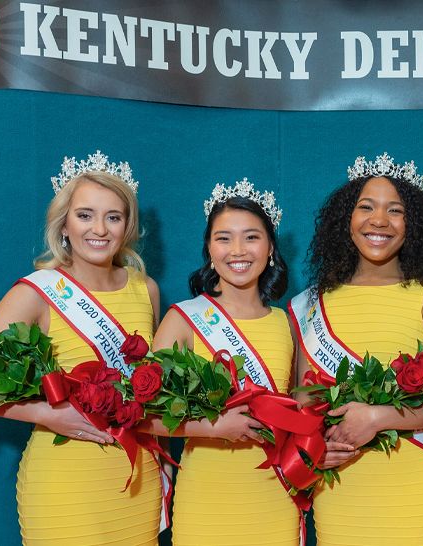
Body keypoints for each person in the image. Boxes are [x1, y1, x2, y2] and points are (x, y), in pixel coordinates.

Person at [288, 153, 423, 546]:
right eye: (365, 207)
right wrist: (315, 449)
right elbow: (303, 403)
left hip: (416, 478)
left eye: (395, 210)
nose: (379, 220)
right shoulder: (312, 304)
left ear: (413, 225)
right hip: (341, 480)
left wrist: (375, 417)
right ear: (344, 221)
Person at [0, 151, 162, 545]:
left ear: (126, 225)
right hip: (65, 481)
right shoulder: (37, 292)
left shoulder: (145, 289)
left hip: (137, 479)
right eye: (85, 214)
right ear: (64, 223)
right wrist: (48, 415)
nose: (98, 228)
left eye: (112, 217)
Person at [147, 179, 300, 545]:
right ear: (209, 248)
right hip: (208, 493)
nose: (238, 250)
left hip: (275, 491)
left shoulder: (288, 322)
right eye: (223, 238)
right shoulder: (184, 318)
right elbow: (143, 416)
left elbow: (299, 409)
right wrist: (213, 427)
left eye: (251, 237)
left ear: (271, 248)